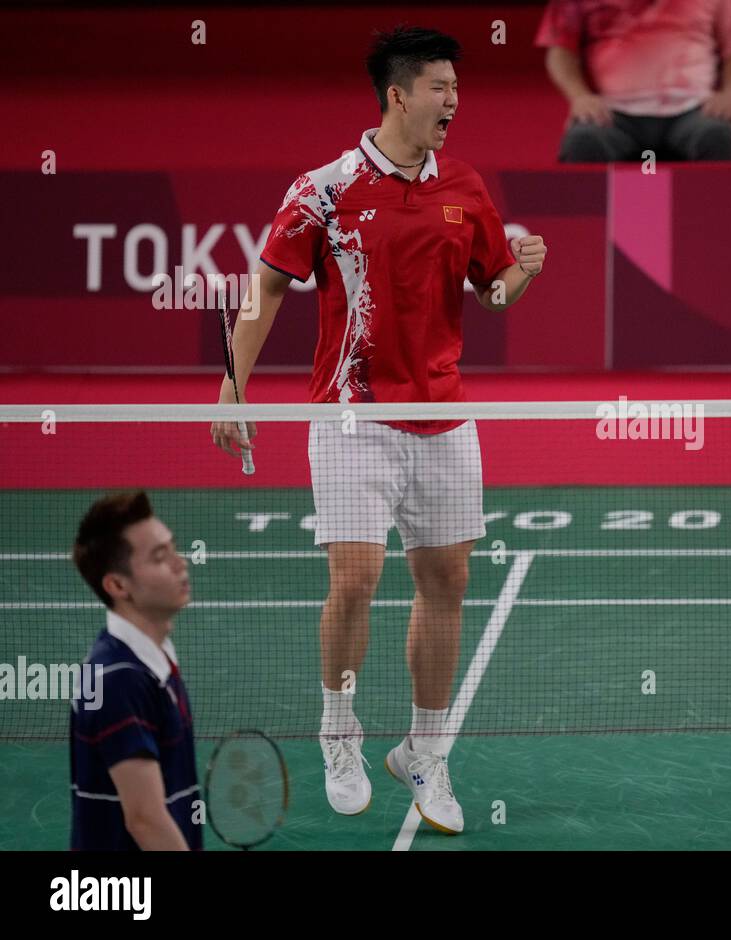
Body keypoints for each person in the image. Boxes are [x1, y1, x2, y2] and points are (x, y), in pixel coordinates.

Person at [210, 26, 547, 835]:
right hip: (351, 415)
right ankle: (340, 733)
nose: (454, 101)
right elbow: (266, 290)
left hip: (442, 415)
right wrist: (232, 388)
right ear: (398, 94)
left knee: (448, 585)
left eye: (457, 88)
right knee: (355, 581)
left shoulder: (464, 183)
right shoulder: (323, 189)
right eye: (440, 87)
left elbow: (494, 291)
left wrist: (523, 271)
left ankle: (424, 752)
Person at [70, 491, 200, 851]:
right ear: (117, 585)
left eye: (173, 548)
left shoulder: (151, 658)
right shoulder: (117, 678)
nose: (180, 564)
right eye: (160, 557)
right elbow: (145, 820)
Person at [536, 0, 731, 162]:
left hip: (693, 109)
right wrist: (580, 96)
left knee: (717, 136)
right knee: (583, 141)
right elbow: (560, 54)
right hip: (613, 114)